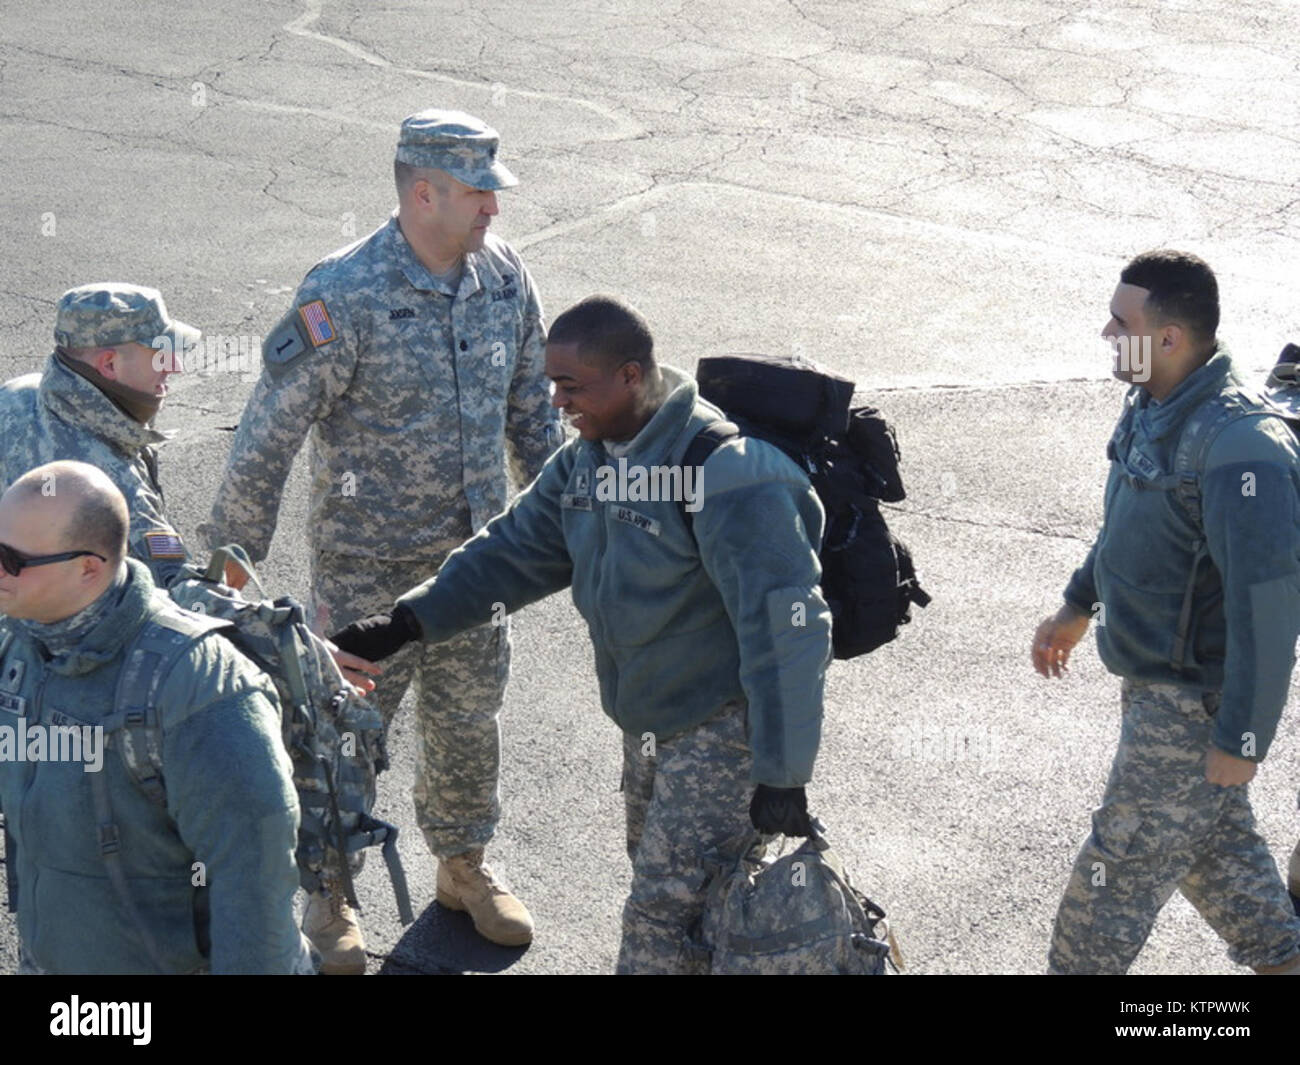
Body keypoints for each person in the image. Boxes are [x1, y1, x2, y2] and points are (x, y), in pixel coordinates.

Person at [329, 295, 833, 973]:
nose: (559, 402)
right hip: (649, 725)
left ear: (630, 376)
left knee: (659, 912)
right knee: (692, 904)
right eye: (552, 385)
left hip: (725, 732)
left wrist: (781, 772)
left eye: (573, 387)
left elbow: (790, 630)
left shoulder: (727, 475)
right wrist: (405, 621)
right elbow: (511, 550)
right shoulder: (591, 461)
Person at [201, 109, 562, 950]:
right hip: (370, 574)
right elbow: (269, 430)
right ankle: (330, 894)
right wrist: (230, 554)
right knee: (345, 735)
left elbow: (532, 411)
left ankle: (464, 863)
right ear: (424, 193)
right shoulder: (345, 291)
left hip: (479, 567)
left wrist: (561, 521)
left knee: (469, 723)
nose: (494, 211)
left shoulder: (504, 278)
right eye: (479, 193)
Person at [0, 281, 379, 973]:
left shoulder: (21, 396)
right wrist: (302, 645)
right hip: (72, 676)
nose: (172, 367)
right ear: (110, 363)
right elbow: (165, 598)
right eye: (159, 353)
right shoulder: (100, 469)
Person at [1033, 250, 1300, 974]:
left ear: (1171, 337)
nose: (1106, 332)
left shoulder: (1241, 446)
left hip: (1189, 708)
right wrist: (1079, 599)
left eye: (1122, 322)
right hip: (1151, 688)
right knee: (1223, 866)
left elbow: (1266, 613)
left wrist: (1242, 736)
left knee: (1105, 891)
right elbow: (1130, 524)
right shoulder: (1154, 404)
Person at [0, 461, 311, 974]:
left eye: (10, 559)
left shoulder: (201, 686)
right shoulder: (20, 643)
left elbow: (253, 887)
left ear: (88, 568)